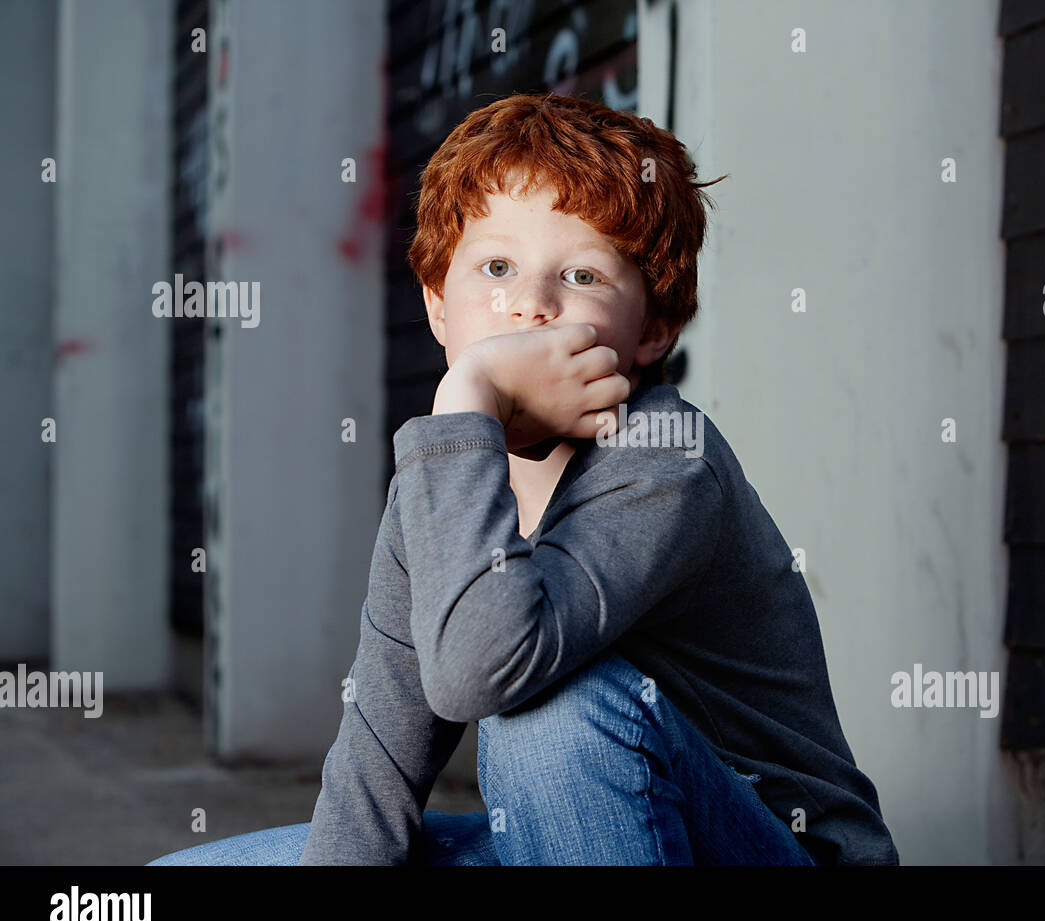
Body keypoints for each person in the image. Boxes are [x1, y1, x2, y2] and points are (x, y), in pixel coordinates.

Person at [147, 92, 899, 866]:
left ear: (656, 329)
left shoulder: (666, 460)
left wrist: (467, 394)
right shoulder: (441, 487)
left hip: (762, 847)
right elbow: (378, 766)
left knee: (546, 708)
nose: (531, 306)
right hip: (575, 835)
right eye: (497, 267)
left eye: (580, 275)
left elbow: (484, 671)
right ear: (438, 307)